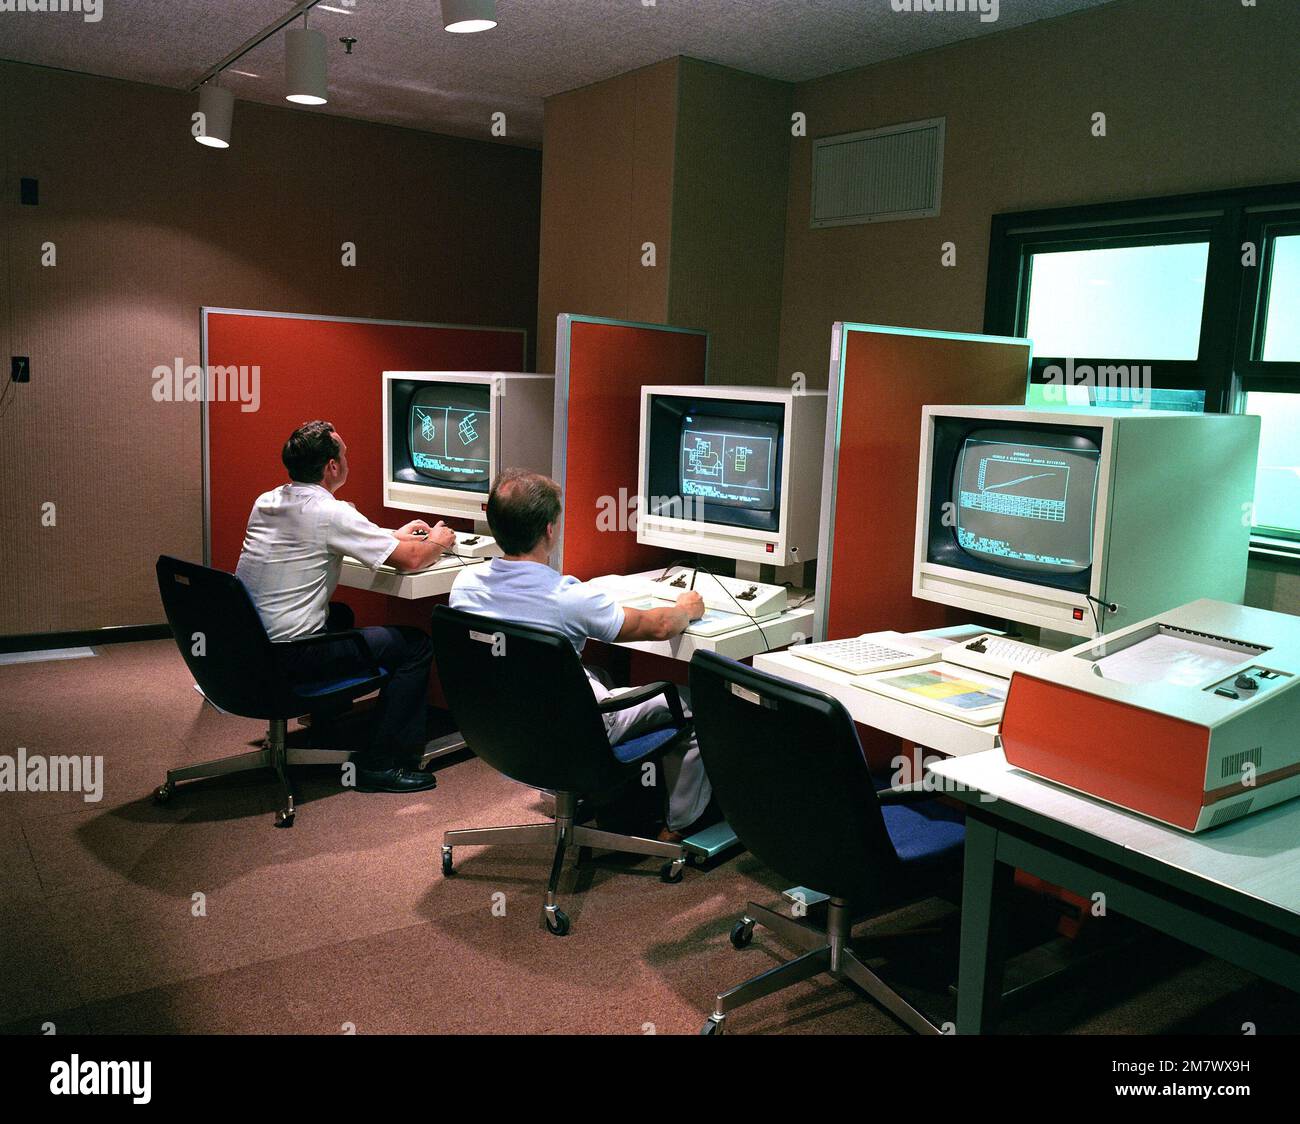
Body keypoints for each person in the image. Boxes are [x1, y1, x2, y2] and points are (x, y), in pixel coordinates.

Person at [449, 469, 715, 841]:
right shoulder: (566, 597)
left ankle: (576, 794)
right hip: (575, 733)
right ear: (549, 530)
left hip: (504, 733)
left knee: (593, 674)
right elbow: (657, 627)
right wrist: (687, 608)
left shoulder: (464, 586)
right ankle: (680, 828)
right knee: (696, 703)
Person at [235, 420, 455, 793]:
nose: (348, 458)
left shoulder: (267, 501)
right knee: (415, 645)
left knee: (339, 615)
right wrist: (437, 539)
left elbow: (323, 532)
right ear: (331, 467)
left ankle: (328, 729)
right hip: (288, 660)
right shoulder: (329, 512)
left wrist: (388, 535)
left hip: (243, 651)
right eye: (345, 453)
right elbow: (413, 560)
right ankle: (382, 763)